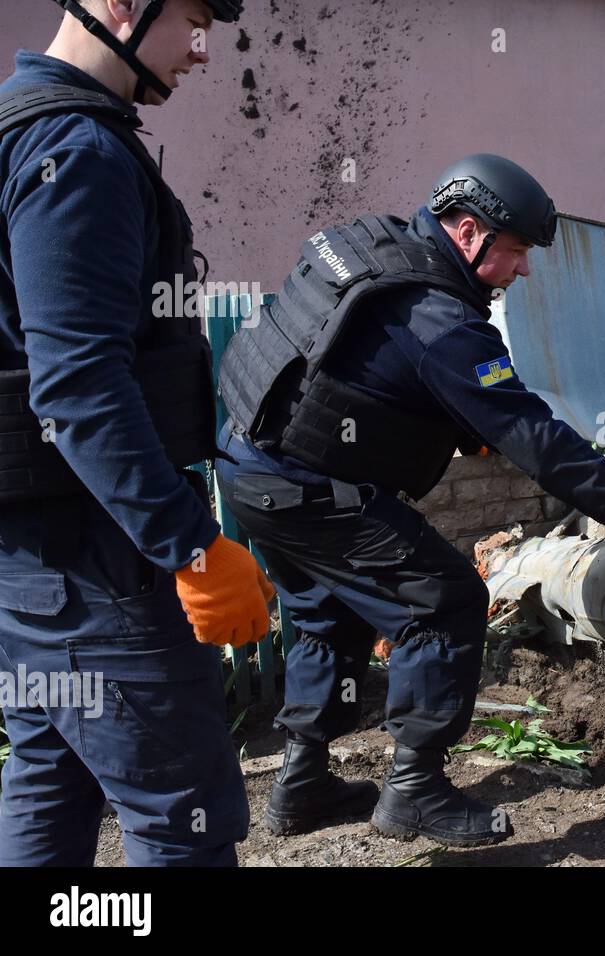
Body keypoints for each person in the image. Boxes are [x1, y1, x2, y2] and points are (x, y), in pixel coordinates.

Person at [215, 153, 605, 847]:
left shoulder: (376, 250)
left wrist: (458, 421)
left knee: (326, 611)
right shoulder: (445, 323)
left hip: (250, 469)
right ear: (468, 234)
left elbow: (358, 366)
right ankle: (416, 793)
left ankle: (303, 781)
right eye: (517, 251)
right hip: (312, 490)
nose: (524, 270)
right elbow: (535, 435)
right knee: (446, 600)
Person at [0, 0, 274, 866]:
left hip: (32, 562)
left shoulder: (19, 125)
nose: (203, 50)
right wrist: (191, 545)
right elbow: (79, 385)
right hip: (97, 561)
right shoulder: (75, 153)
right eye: (195, 16)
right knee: (181, 813)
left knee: (50, 779)